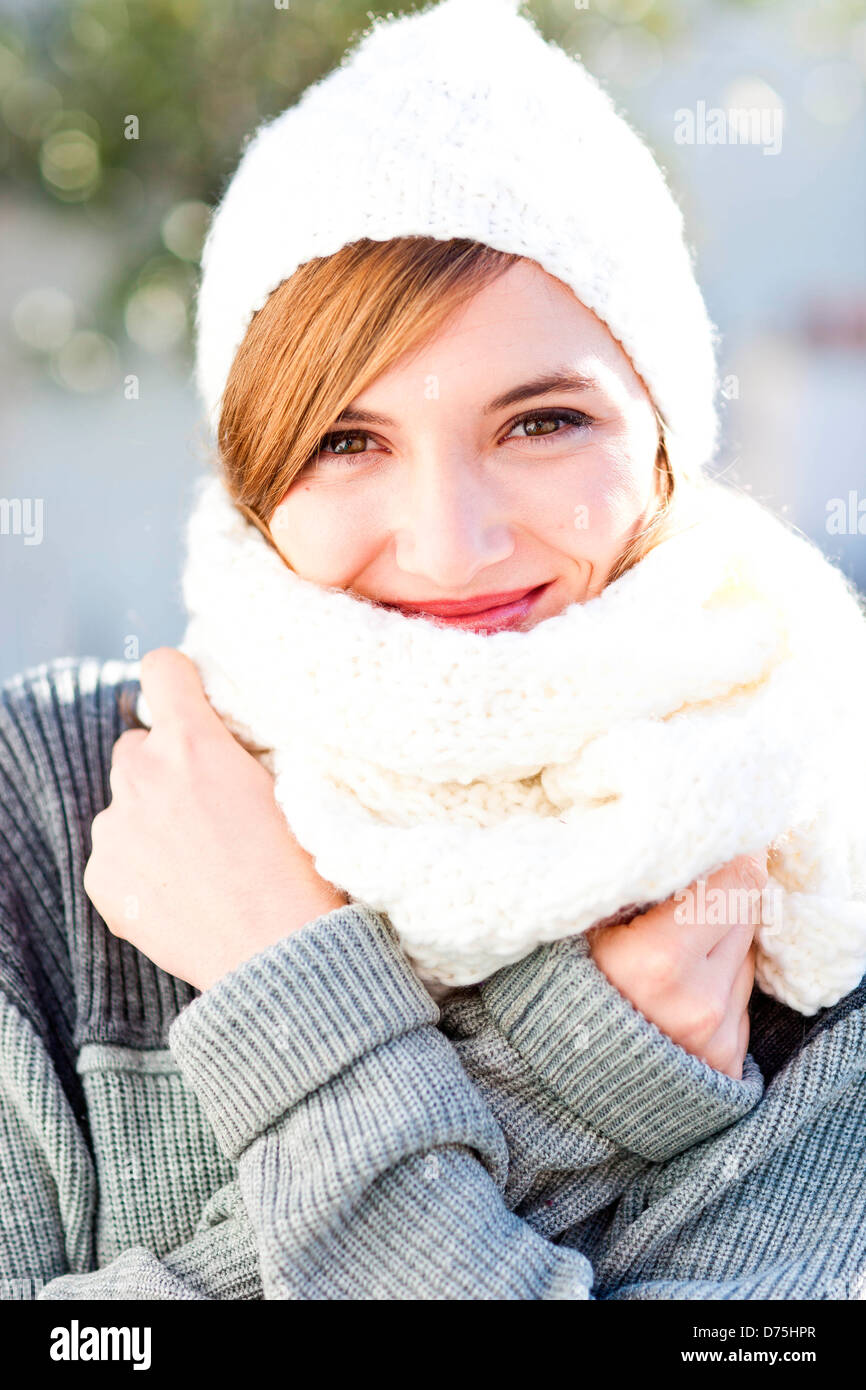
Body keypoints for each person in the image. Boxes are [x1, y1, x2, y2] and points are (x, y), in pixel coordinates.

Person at [1, 0, 864, 1301]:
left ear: (665, 439)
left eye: (542, 422)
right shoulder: (54, 804)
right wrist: (561, 1097)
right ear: (250, 479)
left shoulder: (804, 868)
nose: (450, 546)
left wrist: (279, 986)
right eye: (344, 441)